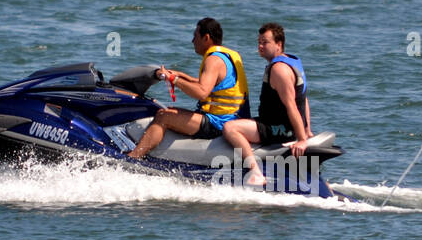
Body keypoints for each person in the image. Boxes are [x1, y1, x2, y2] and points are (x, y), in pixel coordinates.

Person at [127, 18, 250, 160]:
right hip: (233, 119)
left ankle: (134, 157)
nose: (192, 41)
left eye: (195, 36)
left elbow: (202, 92)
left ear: (206, 38)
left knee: (163, 115)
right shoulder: (229, 56)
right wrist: (181, 75)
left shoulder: (213, 60)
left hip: (219, 123)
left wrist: (174, 80)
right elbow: (211, 85)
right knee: (172, 110)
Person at [221, 22, 312, 186]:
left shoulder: (279, 70)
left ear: (279, 44)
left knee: (230, 128)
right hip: (282, 125)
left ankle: (255, 171)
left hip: (279, 129)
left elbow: (291, 105)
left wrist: (302, 139)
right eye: (259, 42)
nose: (260, 46)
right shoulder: (292, 61)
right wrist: (307, 129)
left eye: (265, 42)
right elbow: (303, 98)